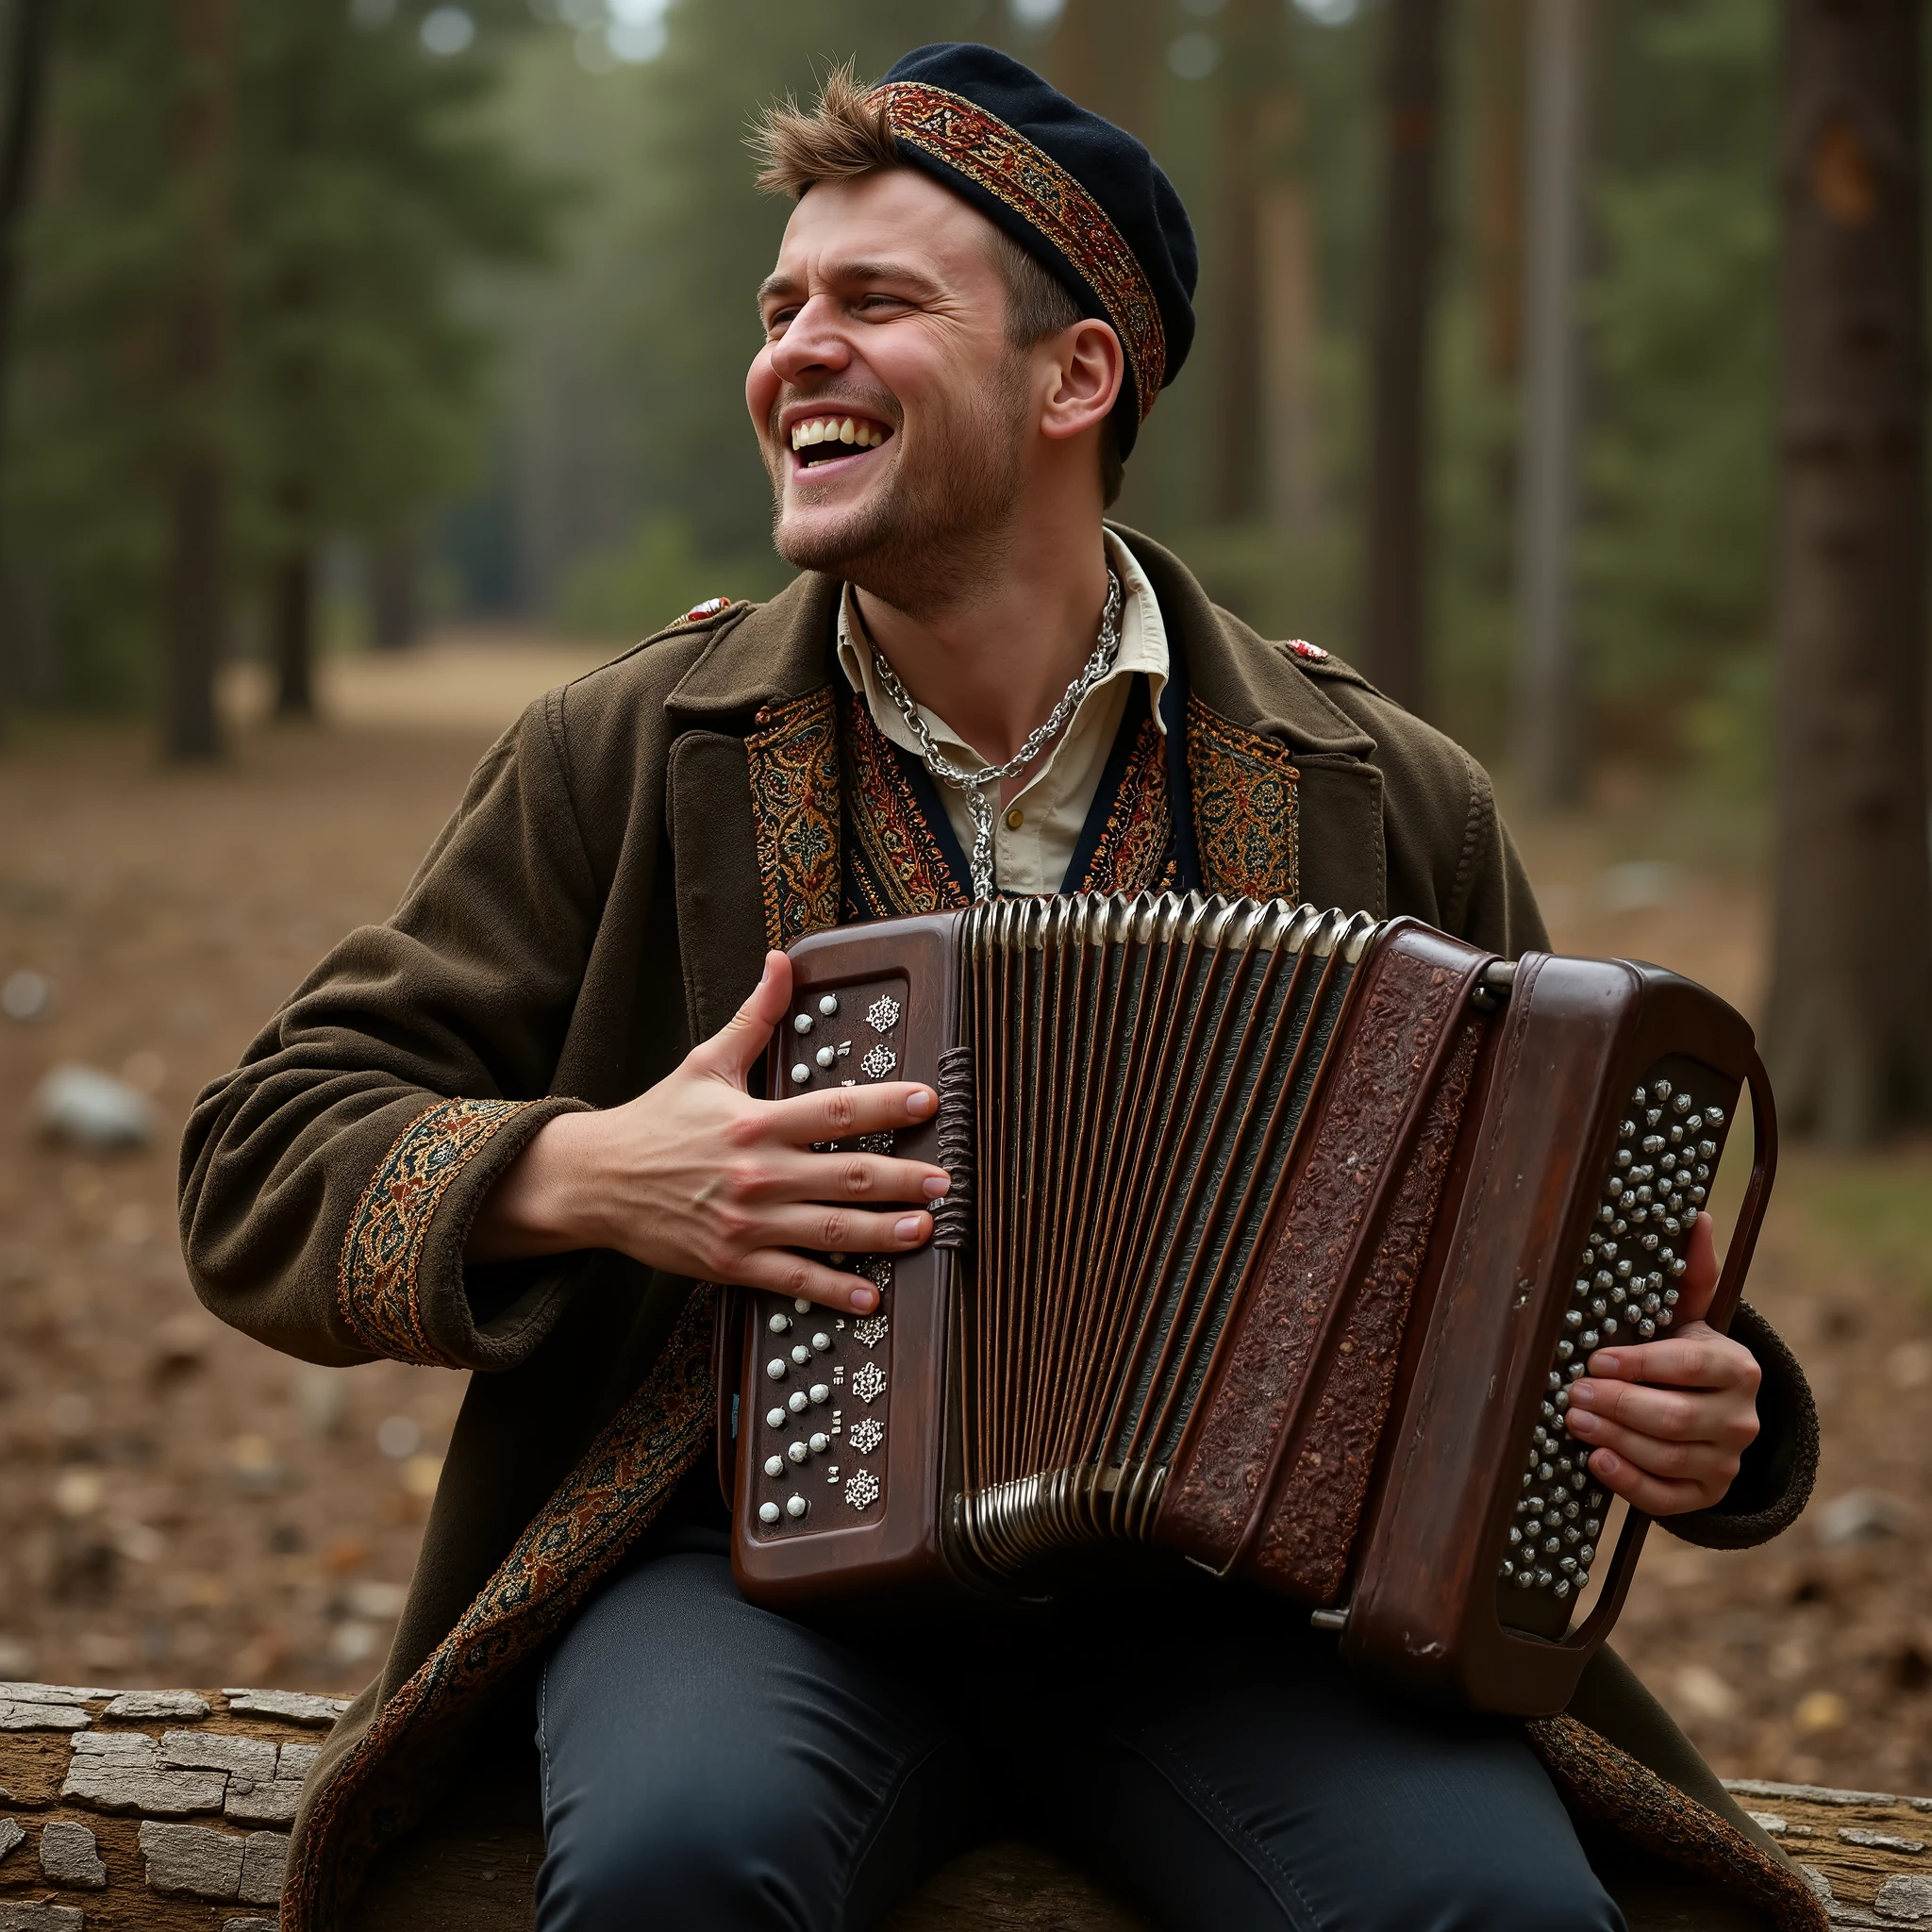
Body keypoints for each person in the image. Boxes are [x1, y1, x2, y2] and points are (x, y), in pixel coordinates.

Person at [179, 43, 1821, 1932]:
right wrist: (591, 1171)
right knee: (673, 1868)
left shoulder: (1376, 788)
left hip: (1236, 1616)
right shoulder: (627, 751)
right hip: (736, 1574)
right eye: (780, 303)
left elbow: (1562, 1256)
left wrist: (1712, 1414)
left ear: (1076, 374)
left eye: (875, 300)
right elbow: (257, 1149)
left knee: (1497, 1914)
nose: (796, 348)